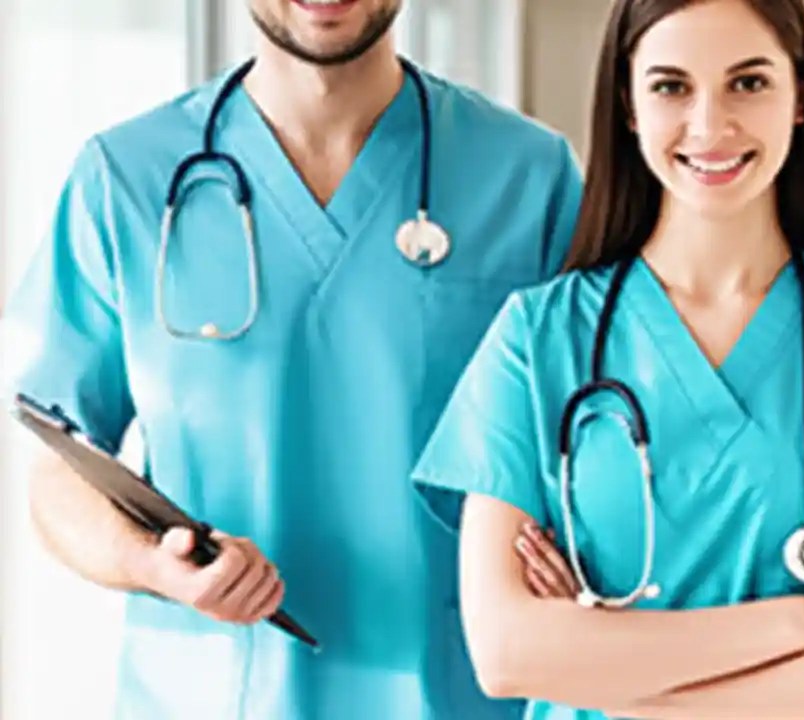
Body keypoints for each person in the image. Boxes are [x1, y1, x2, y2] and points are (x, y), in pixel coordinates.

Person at [410, 0, 804, 718]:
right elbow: (509, 653)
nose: (710, 125)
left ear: (799, 97)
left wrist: (626, 686)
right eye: (672, 86)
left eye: (749, 83)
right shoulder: (536, 340)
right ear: (629, 106)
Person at [1, 1, 581, 718]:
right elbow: (59, 465)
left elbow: (601, 450)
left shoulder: (527, 177)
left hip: (458, 697)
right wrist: (152, 565)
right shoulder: (126, 179)